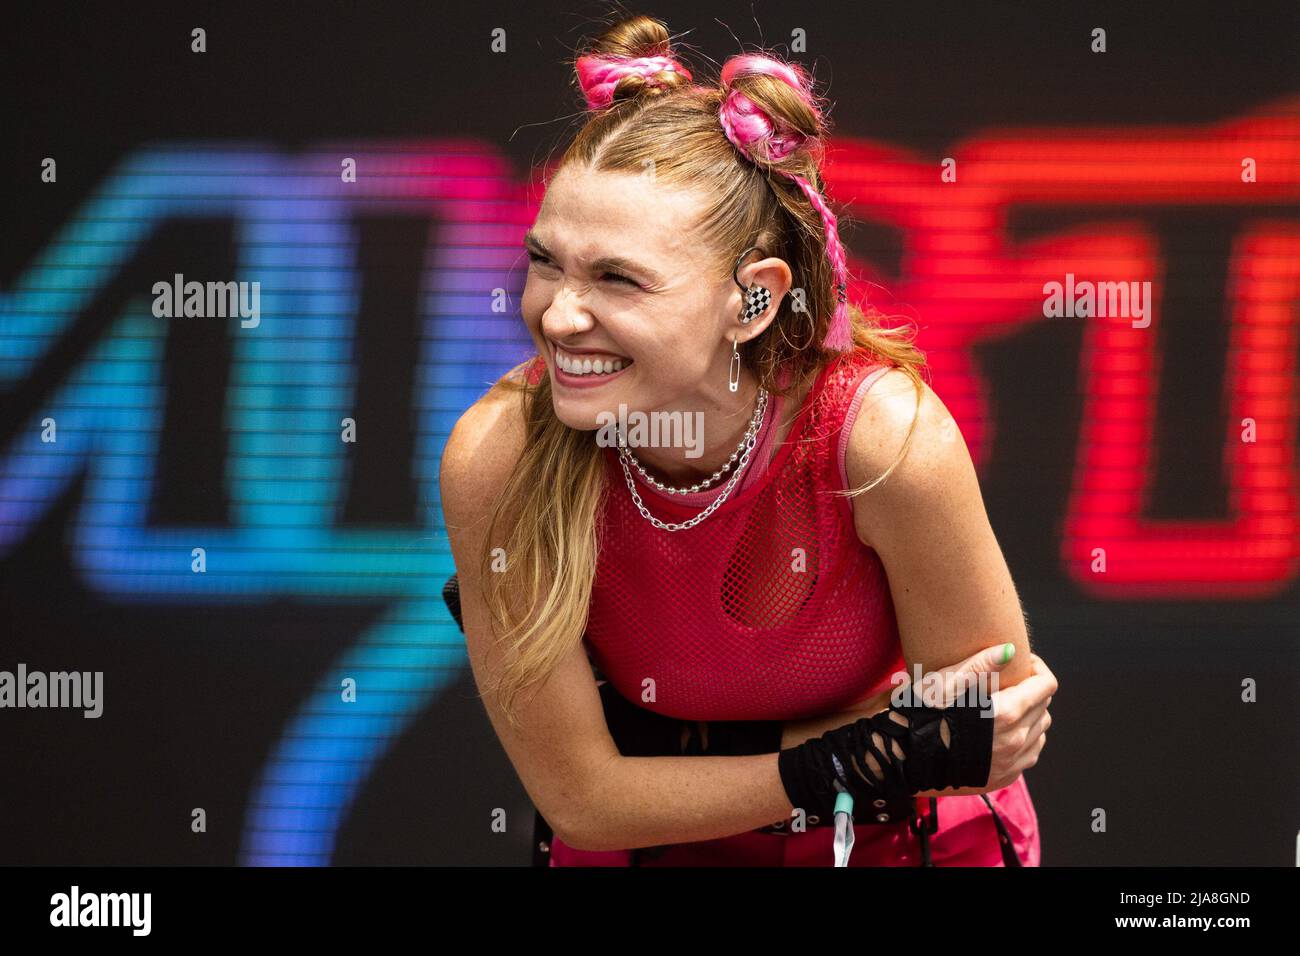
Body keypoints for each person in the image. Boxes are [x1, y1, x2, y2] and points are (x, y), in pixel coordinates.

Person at [439, 14, 1057, 866]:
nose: (558, 313)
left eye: (617, 278)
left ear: (756, 299)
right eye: (547, 262)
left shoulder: (883, 438)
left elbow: (985, 739)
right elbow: (583, 800)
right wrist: (852, 752)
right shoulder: (495, 456)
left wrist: (668, 748)